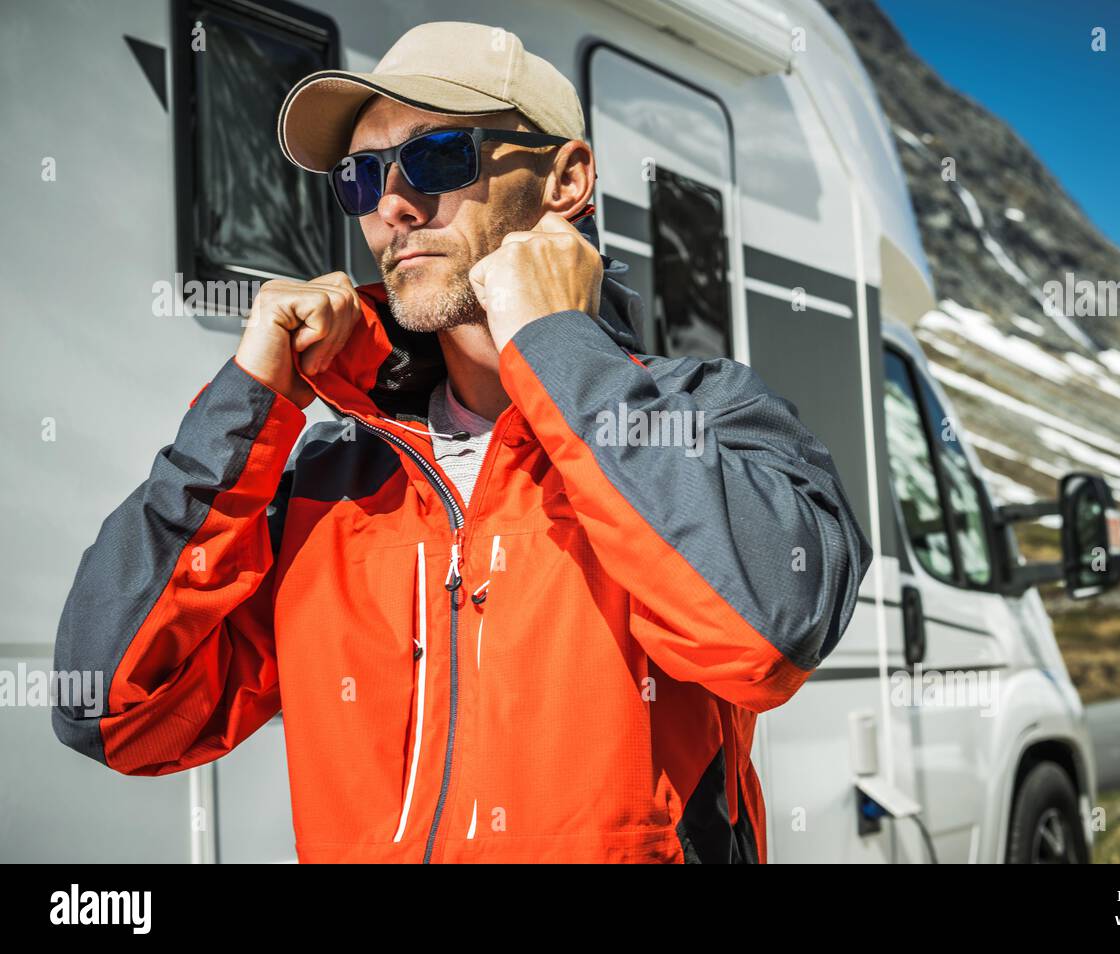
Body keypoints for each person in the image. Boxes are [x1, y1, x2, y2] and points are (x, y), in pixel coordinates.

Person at [52, 20, 870, 863]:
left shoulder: (716, 415)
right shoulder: (328, 483)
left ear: (568, 179)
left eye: (440, 156)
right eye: (361, 178)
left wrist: (555, 342)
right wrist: (246, 405)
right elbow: (112, 713)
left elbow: (762, 639)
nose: (392, 207)